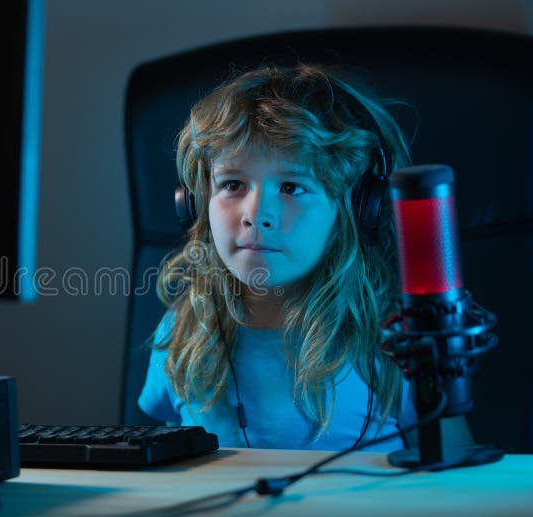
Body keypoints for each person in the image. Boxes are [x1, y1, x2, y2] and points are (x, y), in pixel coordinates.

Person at [138, 63, 472, 451]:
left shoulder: (401, 342)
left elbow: (458, 484)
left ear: (356, 208)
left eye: (293, 187)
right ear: (195, 201)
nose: (256, 213)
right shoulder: (183, 331)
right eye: (232, 184)